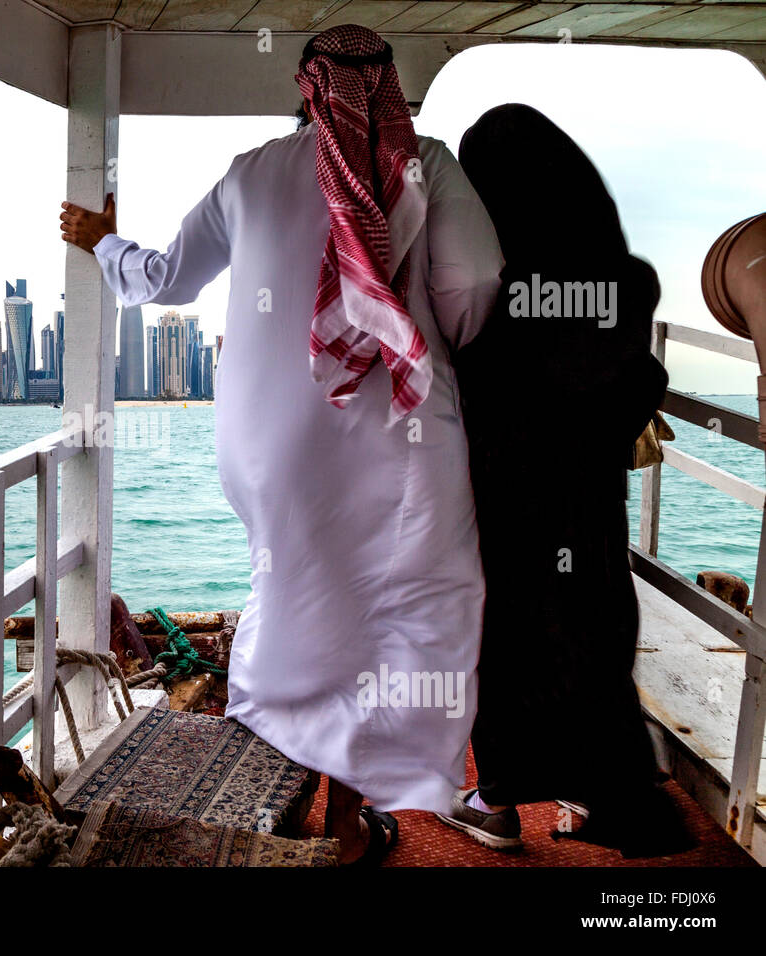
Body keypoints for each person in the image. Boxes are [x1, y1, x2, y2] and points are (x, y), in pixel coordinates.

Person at [60, 24, 502, 864]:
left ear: (307, 90)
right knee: (407, 618)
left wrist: (102, 240)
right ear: (389, 90)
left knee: (298, 615)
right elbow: (476, 281)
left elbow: (165, 279)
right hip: (403, 434)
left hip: (271, 446)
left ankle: (300, 822)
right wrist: (426, 343)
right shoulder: (426, 164)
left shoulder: (250, 173)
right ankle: (368, 807)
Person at [437, 103, 693, 857]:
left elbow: (470, 385)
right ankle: (605, 792)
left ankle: (494, 801)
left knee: (508, 643)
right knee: (593, 632)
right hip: (585, 498)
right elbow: (634, 379)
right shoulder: (628, 283)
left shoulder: (495, 289)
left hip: (507, 499)